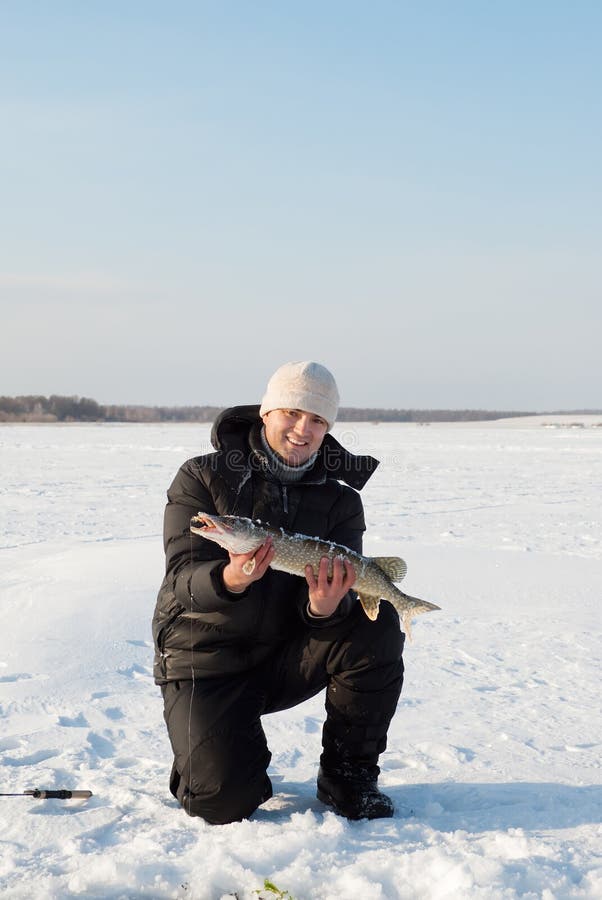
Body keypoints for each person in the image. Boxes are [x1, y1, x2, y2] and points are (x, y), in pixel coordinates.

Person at [152, 361, 405, 824]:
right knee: (222, 801)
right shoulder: (203, 478)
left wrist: (325, 606)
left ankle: (348, 777)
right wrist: (230, 579)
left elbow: (343, 599)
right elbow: (180, 582)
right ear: (266, 413)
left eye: (318, 419)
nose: (302, 429)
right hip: (206, 660)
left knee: (378, 622)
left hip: (286, 656)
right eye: (291, 412)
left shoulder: (342, 500)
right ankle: (211, 753)